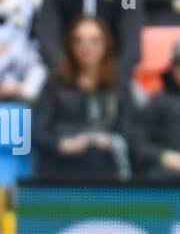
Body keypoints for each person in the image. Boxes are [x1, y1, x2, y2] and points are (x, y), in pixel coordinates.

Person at [33, 15, 134, 179]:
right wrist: (62, 145)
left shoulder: (119, 87)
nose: (86, 47)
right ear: (69, 46)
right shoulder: (55, 85)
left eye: (94, 41)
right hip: (62, 165)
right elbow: (38, 129)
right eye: (78, 40)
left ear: (106, 45)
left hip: (106, 165)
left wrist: (108, 140)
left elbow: (130, 132)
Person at [136, 41, 180, 180]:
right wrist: (165, 156)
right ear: (172, 67)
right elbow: (138, 145)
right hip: (168, 177)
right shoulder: (157, 102)